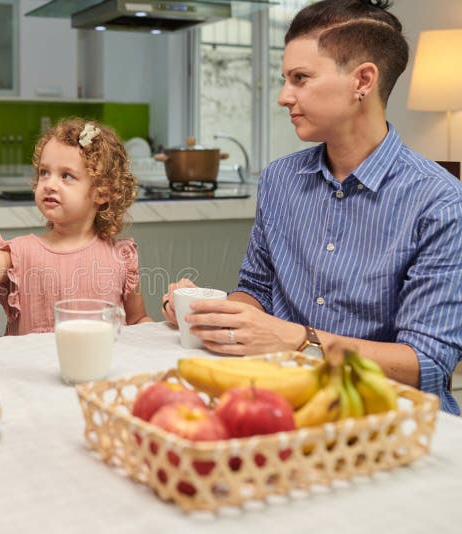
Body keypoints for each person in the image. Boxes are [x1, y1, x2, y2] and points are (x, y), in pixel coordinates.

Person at [161, 0, 462, 413]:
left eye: (300, 78)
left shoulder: (440, 200)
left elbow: (427, 363)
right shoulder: (279, 180)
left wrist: (300, 340)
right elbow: (257, 291)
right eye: (285, 79)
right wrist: (212, 311)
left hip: (393, 421)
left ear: (363, 81)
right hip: (286, 401)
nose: (284, 96)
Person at [0, 118, 153, 334]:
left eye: (66, 176)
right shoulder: (22, 254)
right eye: (44, 173)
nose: (49, 184)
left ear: (103, 191)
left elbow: (138, 319)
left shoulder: (121, 257)